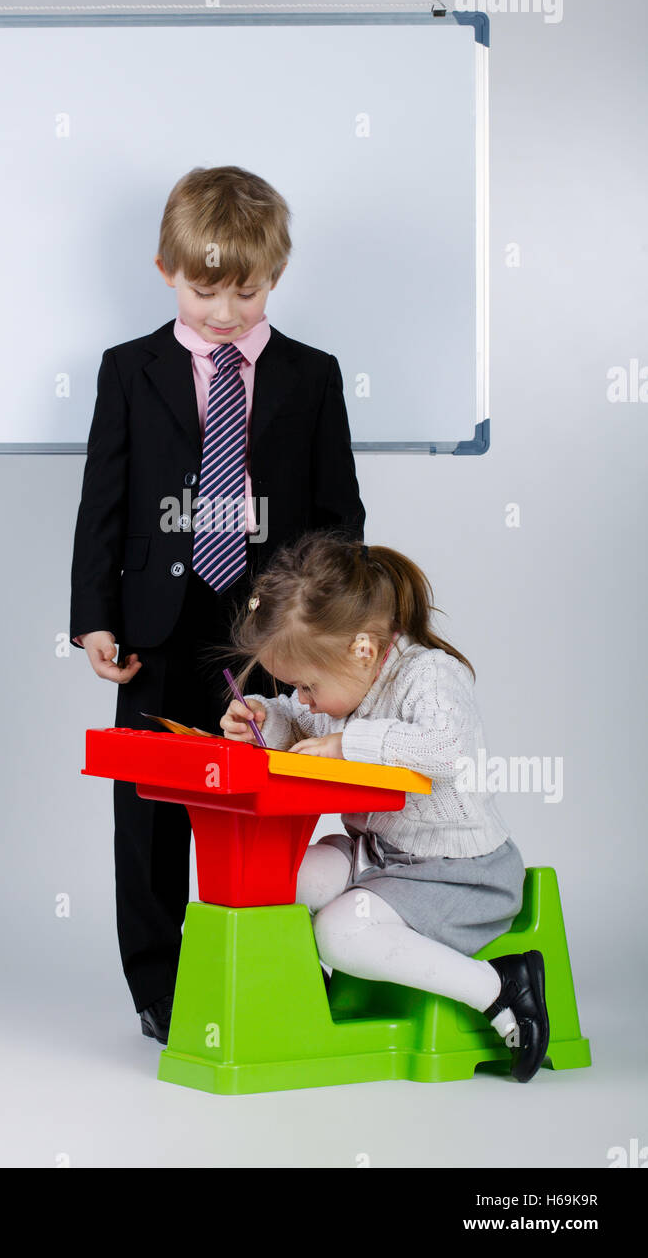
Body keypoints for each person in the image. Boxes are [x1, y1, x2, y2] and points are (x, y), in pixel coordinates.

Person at [69, 166, 366, 1042]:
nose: (226, 312)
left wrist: (325, 628)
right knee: (152, 810)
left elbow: (338, 513)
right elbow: (104, 503)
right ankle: (160, 991)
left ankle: (275, 960)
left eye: (247, 290)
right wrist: (93, 616)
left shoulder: (311, 376)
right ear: (166, 268)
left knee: (265, 798)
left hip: (267, 632)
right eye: (206, 291)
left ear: (274, 275)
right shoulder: (129, 370)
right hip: (156, 632)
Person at [219, 529, 550, 1083]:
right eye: (292, 687)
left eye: (305, 685)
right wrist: (264, 718)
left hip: (460, 877)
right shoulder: (343, 680)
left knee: (340, 931)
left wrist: (348, 744)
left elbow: (444, 750)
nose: (301, 697)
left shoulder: (430, 675)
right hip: (379, 856)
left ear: (363, 649)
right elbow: (303, 721)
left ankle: (499, 987)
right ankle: (305, 993)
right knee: (281, 878)